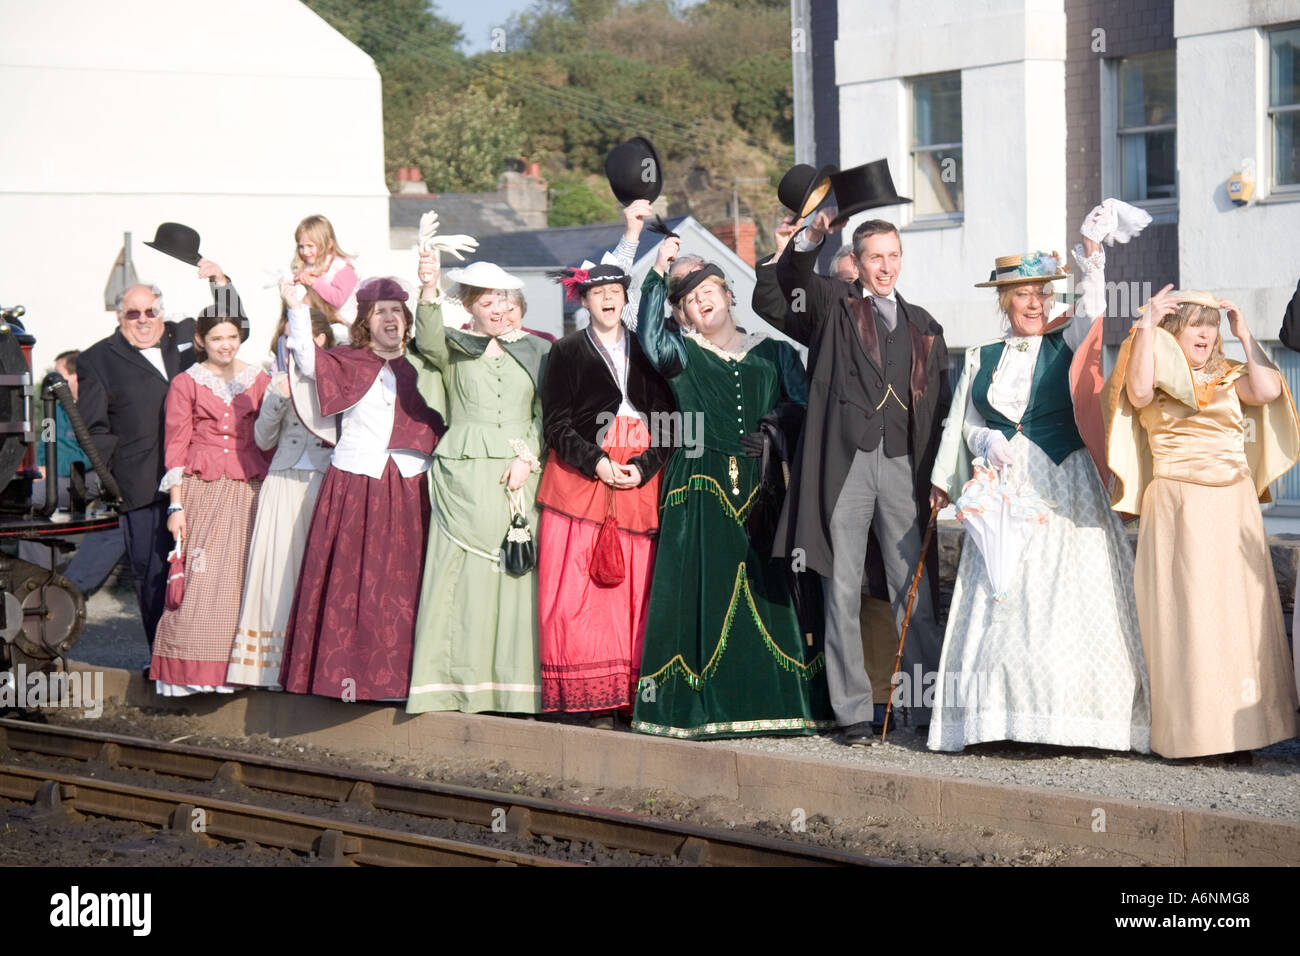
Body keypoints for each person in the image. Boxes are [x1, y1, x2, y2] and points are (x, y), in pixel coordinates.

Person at [927, 214, 1150, 753]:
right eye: (1022, 295)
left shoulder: (1066, 339)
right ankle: (1000, 718)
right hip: (1006, 489)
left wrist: (1091, 255)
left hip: (1063, 482)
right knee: (1004, 594)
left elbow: (1095, 311)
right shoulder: (982, 357)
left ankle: (1072, 720)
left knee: (1065, 597)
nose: (1033, 304)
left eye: (1040, 295)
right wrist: (985, 445)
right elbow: (968, 424)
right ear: (1004, 301)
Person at [631, 237, 832, 740]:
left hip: (764, 488)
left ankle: (780, 702)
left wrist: (776, 426)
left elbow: (806, 409)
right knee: (706, 593)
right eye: (689, 298)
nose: (702, 300)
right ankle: (698, 710)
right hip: (699, 486)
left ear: (727, 294)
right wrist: (657, 273)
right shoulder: (678, 352)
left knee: (771, 593)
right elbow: (648, 336)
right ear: (682, 314)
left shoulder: (776, 352)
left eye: (709, 289)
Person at [774, 207, 951, 746]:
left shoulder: (924, 323)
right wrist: (808, 240)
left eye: (894, 255)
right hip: (845, 465)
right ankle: (851, 714)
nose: (886, 266)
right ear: (857, 260)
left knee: (913, 593)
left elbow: (942, 405)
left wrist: (944, 477)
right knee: (842, 589)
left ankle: (919, 709)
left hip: (904, 465)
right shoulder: (834, 307)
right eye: (876, 256)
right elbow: (786, 287)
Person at [1105, 287, 1300, 759]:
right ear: (1176, 329)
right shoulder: (1153, 367)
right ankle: (1195, 733)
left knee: (1237, 616)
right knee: (1189, 618)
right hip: (1178, 506)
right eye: (1196, 322)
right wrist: (1147, 324)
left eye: (1211, 325)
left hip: (1232, 507)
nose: (1206, 333)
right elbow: (1137, 392)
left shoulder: (1231, 375)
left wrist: (1245, 333)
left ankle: (1243, 733)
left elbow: (1269, 389)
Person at [277, 277, 444, 701]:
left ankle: (402, 682)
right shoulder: (349, 360)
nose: (390, 317)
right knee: (352, 584)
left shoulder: (425, 364)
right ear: (365, 321)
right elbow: (308, 360)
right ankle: (345, 680)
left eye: (396, 310)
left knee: (404, 585)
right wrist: (297, 308)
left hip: (410, 482)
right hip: (355, 482)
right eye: (380, 310)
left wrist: (431, 285)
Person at [406, 257, 550, 715]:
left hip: (522, 474)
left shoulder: (541, 351)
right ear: (470, 307)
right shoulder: (454, 347)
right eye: (487, 302)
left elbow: (547, 415)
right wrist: (429, 287)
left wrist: (528, 457)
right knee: (465, 578)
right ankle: (454, 685)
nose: (499, 310)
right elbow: (426, 338)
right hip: (464, 473)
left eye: (506, 301)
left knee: (517, 574)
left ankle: (516, 690)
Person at [77, 260, 242, 649]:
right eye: (133, 314)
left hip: (200, 479)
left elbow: (231, 331)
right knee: (153, 575)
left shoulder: (186, 336)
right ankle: (162, 659)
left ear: (161, 311)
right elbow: (92, 430)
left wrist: (221, 284)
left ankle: (203, 655)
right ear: (120, 317)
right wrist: (117, 478)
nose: (143, 320)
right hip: (144, 487)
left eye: (150, 311)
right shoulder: (97, 359)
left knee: (206, 571)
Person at [537, 263, 675, 724]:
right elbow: (555, 423)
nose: (609, 299)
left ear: (624, 297)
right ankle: (578, 697)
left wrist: (642, 468)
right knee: (576, 585)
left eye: (616, 291)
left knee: (634, 589)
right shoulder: (566, 351)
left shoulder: (648, 349)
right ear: (584, 300)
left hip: (638, 473)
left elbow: (669, 425)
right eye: (599, 293)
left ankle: (626, 699)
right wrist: (596, 462)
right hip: (582, 474)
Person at [150, 308, 271, 695]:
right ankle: (191, 673)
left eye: (232, 337)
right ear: (202, 340)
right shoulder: (187, 383)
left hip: (249, 488)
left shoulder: (260, 379)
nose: (226, 345)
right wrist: (176, 505)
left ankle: (240, 672)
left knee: (241, 579)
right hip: (201, 489)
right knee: (201, 580)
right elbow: (176, 444)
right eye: (217, 338)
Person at [226, 311, 335, 689]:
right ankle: (269, 668)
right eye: (285, 339)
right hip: (283, 480)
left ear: (318, 340)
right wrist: (277, 398)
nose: (288, 346)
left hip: (323, 482)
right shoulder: (277, 381)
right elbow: (262, 440)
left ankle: (310, 664)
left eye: (295, 338)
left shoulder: (338, 378)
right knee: (275, 570)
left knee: (314, 569)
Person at [292, 214, 358, 327]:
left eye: (310, 246)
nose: (305, 252)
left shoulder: (342, 268)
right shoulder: (305, 268)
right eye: (301, 247)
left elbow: (338, 299)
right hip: (316, 324)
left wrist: (313, 282)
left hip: (343, 325)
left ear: (329, 244)